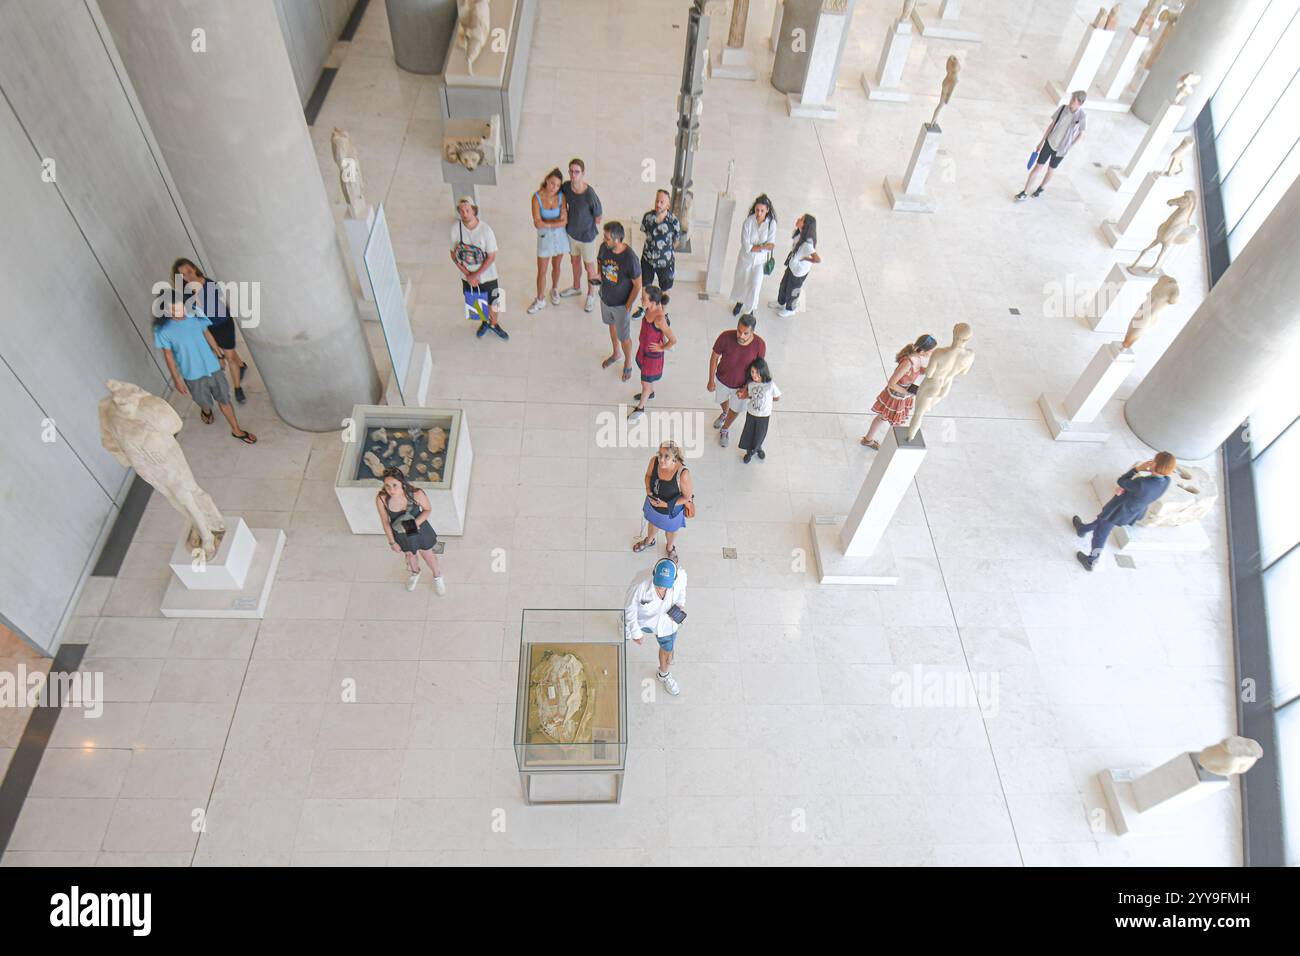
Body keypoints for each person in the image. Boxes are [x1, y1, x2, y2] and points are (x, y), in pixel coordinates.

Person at [152, 289, 256, 444]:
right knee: (203, 401)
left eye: (181, 307)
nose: (181, 312)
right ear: (166, 310)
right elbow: (168, 356)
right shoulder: (163, 331)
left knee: (224, 400)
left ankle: (236, 430)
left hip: (212, 367)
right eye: (175, 309)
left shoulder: (195, 313)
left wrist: (219, 354)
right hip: (192, 374)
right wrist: (176, 379)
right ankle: (206, 410)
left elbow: (206, 332)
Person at [1072, 454, 1176, 571]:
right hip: (1133, 511)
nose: (1151, 461)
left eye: (1153, 460)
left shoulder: (1142, 484)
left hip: (1117, 511)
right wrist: (1128, 490)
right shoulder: (1167, 480)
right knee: (1101, 522)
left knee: (1100, 535)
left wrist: (1137, 469)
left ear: (1155, 464)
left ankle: (1091, 561)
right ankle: (1083, 529)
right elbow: (1141, 491)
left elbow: (1121, 481)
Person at [173, 257, 248, 404]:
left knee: (229, 355)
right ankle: (242, 366)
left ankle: (238, 388)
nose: (188, 276)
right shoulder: (187, 293)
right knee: (229, 351)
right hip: (209, 329)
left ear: (194, 268)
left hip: (224, 323)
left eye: (189, 271)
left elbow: (215, 305)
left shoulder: (209, 283)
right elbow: (197, 315)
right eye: (184, 275)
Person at [375, 467, 446, 594]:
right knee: (409, 555)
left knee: (428, 554)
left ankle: (437, 576)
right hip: (401, 534)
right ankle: (415, 573)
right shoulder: (382, 499)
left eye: (394, 485)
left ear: (402, 482)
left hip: (419, 529)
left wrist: (415, 524)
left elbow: (427, 509)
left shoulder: (416, 493)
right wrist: (392, 542)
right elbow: (385, 521)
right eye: (387, 486)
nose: (391, 490)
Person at [624, 557, 688, 697]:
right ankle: (627, 627)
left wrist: (680, 604)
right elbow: (630, 609)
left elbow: (682, 589)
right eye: (658, 584)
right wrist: (636, 633)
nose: (661, 588)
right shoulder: (639, 584)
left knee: (668, 650)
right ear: (654, 574)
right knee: (629, 622)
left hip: (667, 625)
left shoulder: (681, 575)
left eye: (666, 585)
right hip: (644, 621)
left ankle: (664, 674)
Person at [861, 334, 937, 449]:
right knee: (895, 423)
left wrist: (929, 370)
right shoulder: (907, 363)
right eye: (931, 351)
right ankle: (889, 448)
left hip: (902, 395)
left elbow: (918, 370)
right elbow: (892, 383)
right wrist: (906, 392)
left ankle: (868, 439)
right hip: (896, 397)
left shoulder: (917, 358)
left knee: (883, 417)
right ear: (922, 351)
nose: (932, 354)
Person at [449, 196, 508, 340]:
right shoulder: (456, 229)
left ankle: (494, 324)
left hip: (488, 275)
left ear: (474, 211)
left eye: (467, 210)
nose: (464, 213)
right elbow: (453, 255)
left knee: (494, 303)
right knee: (477, 302)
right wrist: (468, 275)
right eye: (461, 211)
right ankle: (485, 322)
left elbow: (491, 257)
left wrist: (475, 275)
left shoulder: (486, 231)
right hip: (467, 277)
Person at [707, 314, 766, 448]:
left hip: (742, 386)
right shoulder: (725, 336)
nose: (741, 336)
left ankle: (725, 428)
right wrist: (711, 380)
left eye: (746, 333)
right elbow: (714, 358)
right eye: (739, 331)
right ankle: (724, 413)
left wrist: (746, 389)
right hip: (722, 379)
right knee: (722, 400)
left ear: (753, 332)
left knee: (736, 409)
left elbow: (758, 370)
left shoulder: (760, 345)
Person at [1016, 91, 1088, 201]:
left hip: (1061, 149)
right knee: (1038, 167)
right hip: (1050, 142)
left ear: (1080, 103)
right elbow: (1051, 126)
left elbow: (1081, 134)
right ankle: (1024, 191)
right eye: (1071, 98)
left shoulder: (1082, 116)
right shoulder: (1063, 108)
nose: (1070, 101)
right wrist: (1041, 142)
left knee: (1051, 169)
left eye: (1074, 100)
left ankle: (1041, 188)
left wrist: (1069, 146)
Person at [634, 440, 694, 564]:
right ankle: (649, 541)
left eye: (666, 456)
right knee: (652, 524)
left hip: (671, 511)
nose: (661, 459)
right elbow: (648, 476)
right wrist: (648, 491)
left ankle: (670, 548)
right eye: (660, 454)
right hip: (654, 505)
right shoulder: (654, 461)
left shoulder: (683, 474)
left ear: (675, 458)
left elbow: (686, 497)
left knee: (671, 531)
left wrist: (665, 504)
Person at [596, 221, 642, 383]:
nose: (604, 240)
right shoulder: (604, 248)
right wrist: (598, 276)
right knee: (611, 325)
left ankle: (628, 361)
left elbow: (638, 285)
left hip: (621, 304)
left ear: (617, 239)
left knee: (624, 337)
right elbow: (600, 261)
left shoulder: (630, 259)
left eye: (607, 238)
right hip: (606, 298)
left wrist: (628, 305)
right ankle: (616, 353)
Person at [559, 157, 603, 312]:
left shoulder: (589, 194)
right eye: (571, 171)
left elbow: (598, 216)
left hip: (587, 237)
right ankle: (576, 287)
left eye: (576, 172)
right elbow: (559, 196)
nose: (573, 175)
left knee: (589, 267)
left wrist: (586, 226)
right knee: (574, 262)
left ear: (583, 173)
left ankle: (591, 294)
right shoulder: (566, 187)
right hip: (572, 234)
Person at [629, 286, 676, 421]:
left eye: (644, 299)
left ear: (653, 302)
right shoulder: (649, 308)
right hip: (643, 350)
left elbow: (673, 339)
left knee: (645, 384)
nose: (641, 300)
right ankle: (651, 392)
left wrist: (662, 347)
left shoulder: (659, 319)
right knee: (647, 382)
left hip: (652, 358)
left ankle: (641, 408)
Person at [527, 168, 569, 314]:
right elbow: (537, 222)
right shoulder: (536, 197)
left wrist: (547, 223)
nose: (554, 188)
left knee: (556, 266)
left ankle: (554, 289)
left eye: (558, 185)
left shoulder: (561, 197)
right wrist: (554, 222)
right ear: (546, 180)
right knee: (542, 271)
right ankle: (540, 299)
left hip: (560, 237)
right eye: (552, 183)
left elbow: (564, 221)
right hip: (544, 238)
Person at [729, 194, 777, 316]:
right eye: (757, 210)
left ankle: (750, 309)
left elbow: (771, 245)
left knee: (755, 284)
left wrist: (757, 247)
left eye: (762, 210)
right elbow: (746, 246)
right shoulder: (748, 222)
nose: (759, 213)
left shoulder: (771, 224)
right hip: (745, 259)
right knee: (742, 282)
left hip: (760, 262)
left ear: (767, 210)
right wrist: (762, 246)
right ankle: (740, 302)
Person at [638, 189, 680, 315]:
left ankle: (662, 313)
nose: (658, 204)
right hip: (647, 260)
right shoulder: (648, 217)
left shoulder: (674, 222)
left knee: (665, 288)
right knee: (645, 286)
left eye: (662, 202)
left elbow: (676, 241)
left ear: (668, 205)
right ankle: (645, 309)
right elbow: (645, 232)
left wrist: (666, 250)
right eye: (657, 201)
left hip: (666, 263)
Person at [770, 214, 819, 317]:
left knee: (793, 290)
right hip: (792, 265)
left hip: (799, 271)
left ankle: (790, 309)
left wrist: (804, 258)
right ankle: (781, 302)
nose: (798, 219)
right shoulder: (799, 234)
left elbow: (817, 259)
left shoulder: (807, 244)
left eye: (801, 219)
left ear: (805, 225)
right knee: (784, 284)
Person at [737, 357, 780, 464]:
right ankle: (749, 452)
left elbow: (777, 397)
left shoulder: (770, 385)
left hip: (764, 416)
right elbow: (752, 396)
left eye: (757, 373)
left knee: (760, 434)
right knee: (749, 434)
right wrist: (743, 395)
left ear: (763, 371)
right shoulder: (751, 384)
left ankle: (757, 449)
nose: (754, 375)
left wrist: (767, 401)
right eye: (752, 372)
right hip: (752, 413)